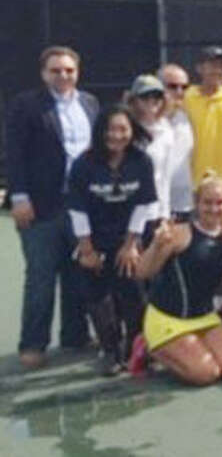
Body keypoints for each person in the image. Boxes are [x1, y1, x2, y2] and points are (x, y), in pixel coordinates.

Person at [6, 46, 97, 368]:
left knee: (78, 273)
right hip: (41, 206)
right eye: (56, 70)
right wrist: (19, 197)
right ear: (44, 74)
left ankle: (75, 336)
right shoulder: (26, 105)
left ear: (77, 72)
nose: (63, 76)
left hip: (81, 205)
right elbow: (14, 153)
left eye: (69, 70)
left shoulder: (90, 103)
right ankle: (33, 344)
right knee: (41, 278)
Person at [67, 107, 158, 374]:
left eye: (123, 129)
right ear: (100, 132)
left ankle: (135, 349)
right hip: (93, 240)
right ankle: (110, 351)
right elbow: (77, 209)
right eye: (110, 129)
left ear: (132, 131)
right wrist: (86, 249)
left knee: (134, 294)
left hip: (127, 239)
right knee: (98, 297)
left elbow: (143, 204)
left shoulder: (141, 161)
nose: (116, 136)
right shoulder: (84, 164)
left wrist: (131, 245)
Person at [133, 174, 222, 385]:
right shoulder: (178, 234)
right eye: (207, 203)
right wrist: (156, 245)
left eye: (219, 203)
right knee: (207, 374)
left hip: (204, 317)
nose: (213, 209)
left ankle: (193, 346)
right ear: (197, 204)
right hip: (168, 319)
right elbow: (142, 272)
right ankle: (147, 346)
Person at [185, 46, 222, 186]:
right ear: (199, 68)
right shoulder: (186, 97)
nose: (218, 71)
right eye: (212, 66)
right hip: (193, 180)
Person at [127, 76, 174, 233]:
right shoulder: (126, 127)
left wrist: (164, 214)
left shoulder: (166, 130)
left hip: (154, 211)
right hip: (127, 209)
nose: (151, 101)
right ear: (134, 100)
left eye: (157, 96)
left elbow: (165, 176)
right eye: (145, 97)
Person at [157, 63, 196, 219]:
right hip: (155, 206)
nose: (179, 92)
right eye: (172, 86)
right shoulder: (148, 122)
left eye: (184, 87)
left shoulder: (189, 117)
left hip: (184, 204)